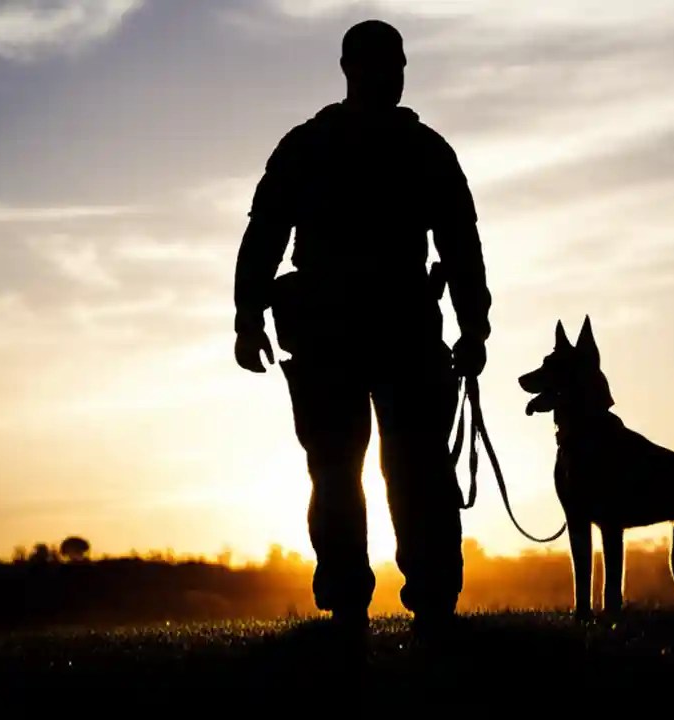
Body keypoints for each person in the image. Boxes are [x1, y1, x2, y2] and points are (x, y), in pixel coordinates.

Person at [232, 20, 491, 634]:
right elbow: (263, 234)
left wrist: (474, 328)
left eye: (400, 63)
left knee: (411, 468)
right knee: (346, 468)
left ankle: (420, 600)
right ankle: (362, 600)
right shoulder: (336, 147)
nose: (394, 76)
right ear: (350, 69)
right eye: (384, 64)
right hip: (347, 333)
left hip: (385, 331)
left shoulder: (409, 149)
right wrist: (246, 317)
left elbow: (461, 247)